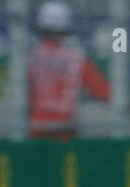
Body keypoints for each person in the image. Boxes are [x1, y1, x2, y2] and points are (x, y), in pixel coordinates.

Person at [28, 1, 110, 139]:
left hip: (36, 130)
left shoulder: (30, 59)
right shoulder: (76, 59)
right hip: (65, 132)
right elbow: (103, 91)